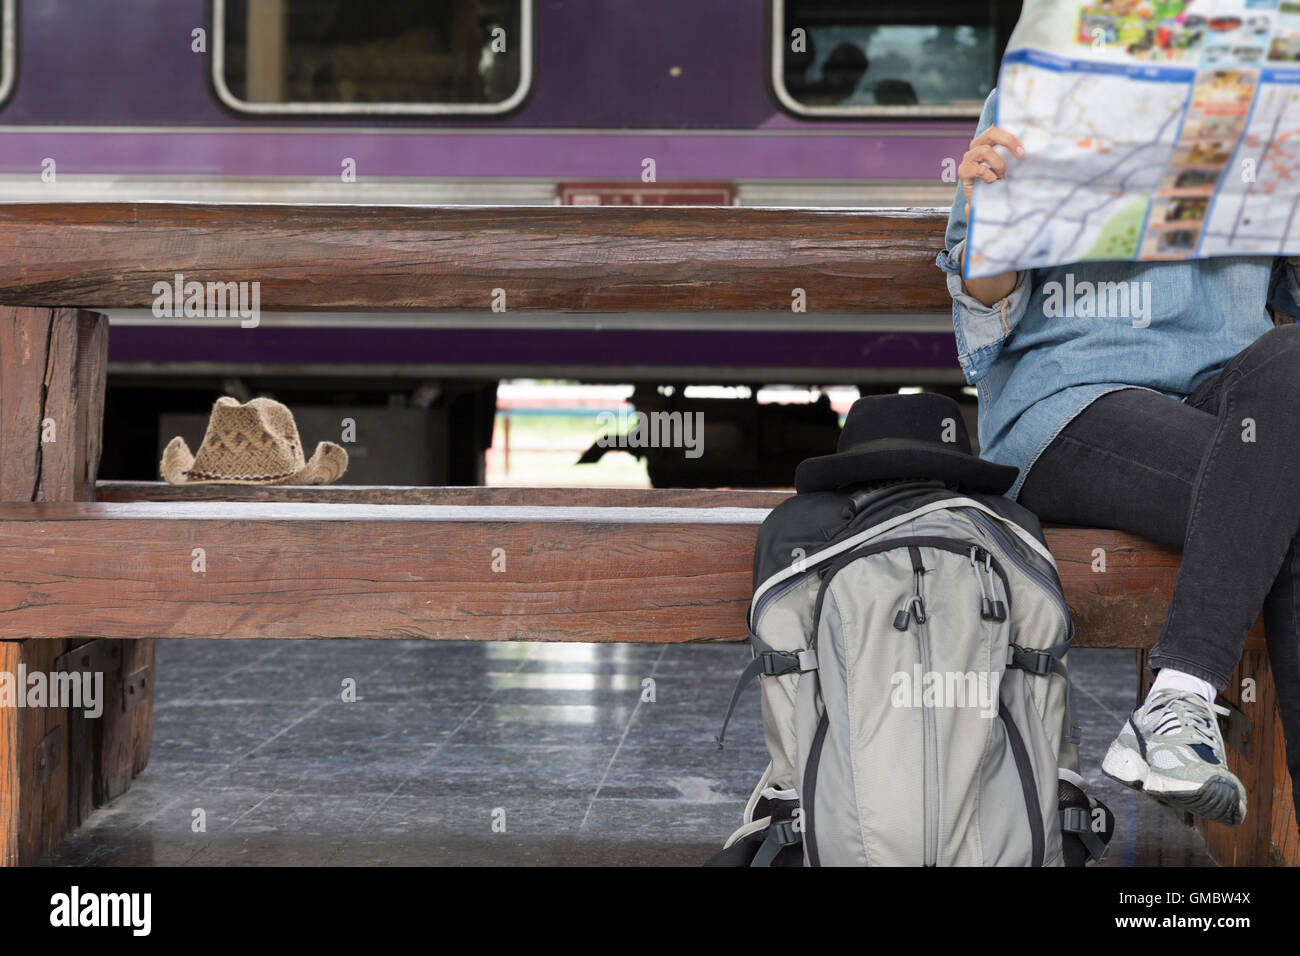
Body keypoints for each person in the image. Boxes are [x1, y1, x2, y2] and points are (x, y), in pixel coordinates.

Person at [937, 89, 1300, 828]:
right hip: (1067, 400)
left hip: (1224, 404)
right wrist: (991, 224)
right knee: (1281, 496)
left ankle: (1176, 707)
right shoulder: (1034, 95)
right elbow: (984, 310)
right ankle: (1185, 695)